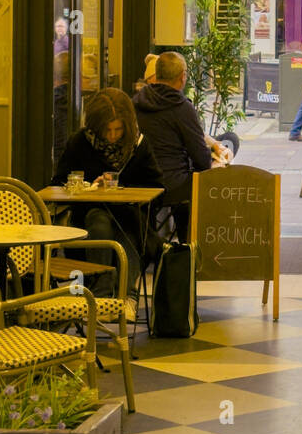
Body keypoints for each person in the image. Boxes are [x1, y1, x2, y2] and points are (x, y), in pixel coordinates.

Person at [51, 86, 163, 289]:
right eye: (106, 130)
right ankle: (109, 292)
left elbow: (157, 188)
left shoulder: (138, 146)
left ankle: (119, 293)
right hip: (88, 217)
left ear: (126, 127)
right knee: (99, 221)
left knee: (126, 234)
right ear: (96, 126)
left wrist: (122, 188)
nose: (112, 136)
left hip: (130, 216)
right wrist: (86, 186)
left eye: (118, 130)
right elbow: (58, 183)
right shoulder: (80, 143)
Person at [133, 50, 213, 241]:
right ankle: (187, 249)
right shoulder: (182, 108)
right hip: (173, 186)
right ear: (182, 77)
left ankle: (152, 251)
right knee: (197, 189)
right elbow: (202, 160)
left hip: (140, 182)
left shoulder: (135, 103)